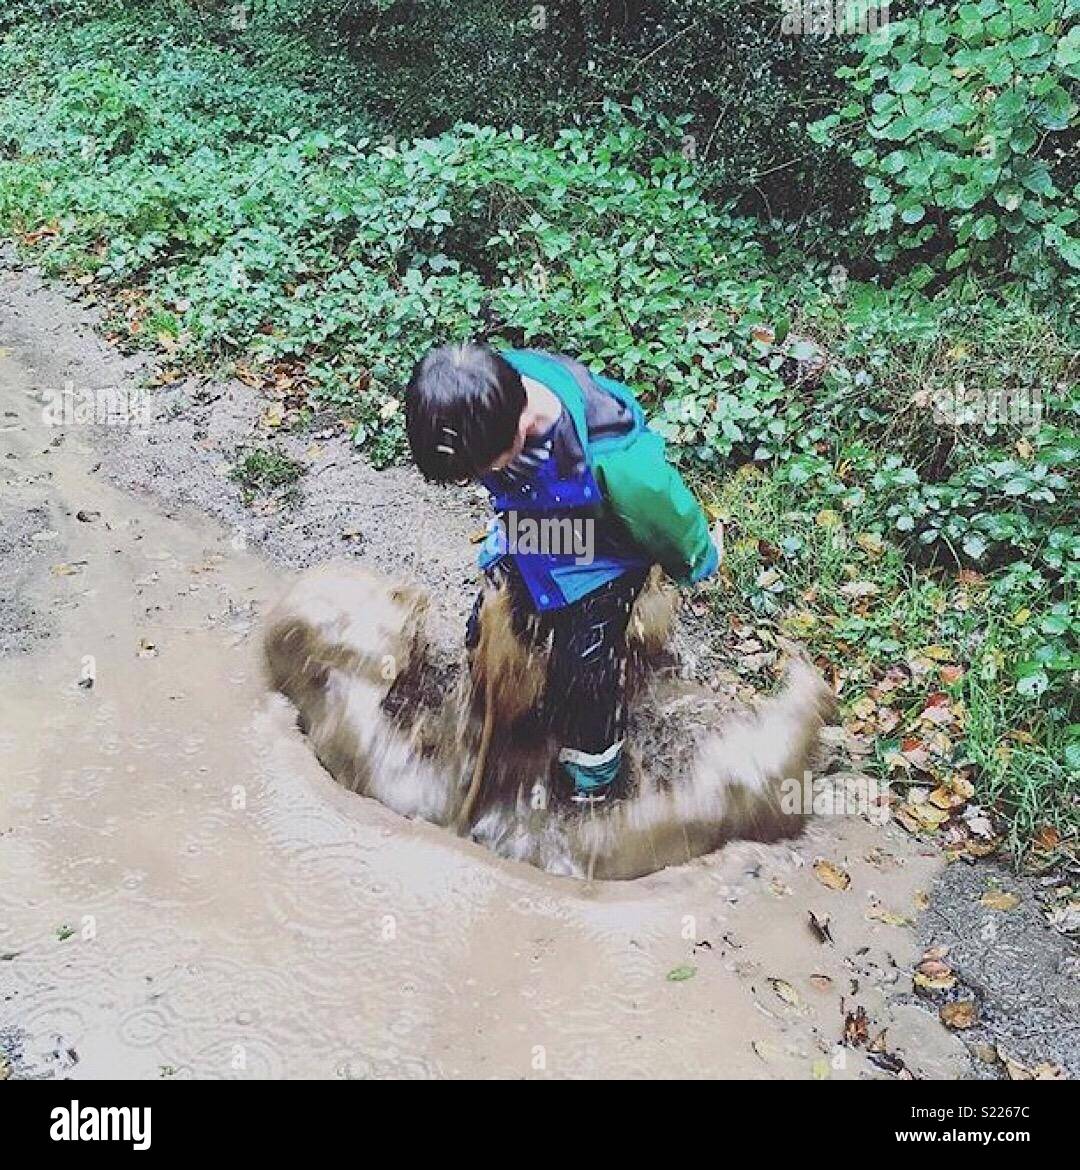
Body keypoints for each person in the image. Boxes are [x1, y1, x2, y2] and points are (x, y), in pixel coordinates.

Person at [404, 344, 719, 804]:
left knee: (583, 672)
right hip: (532, 532)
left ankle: (594, 780)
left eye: (484, 469)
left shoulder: (613, 457)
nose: (478, 479)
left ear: (523, 424)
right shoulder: (485, 396)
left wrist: (695, 557)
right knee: (485, 632)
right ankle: (502, 719)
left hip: (604, 558)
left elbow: (666, 515)